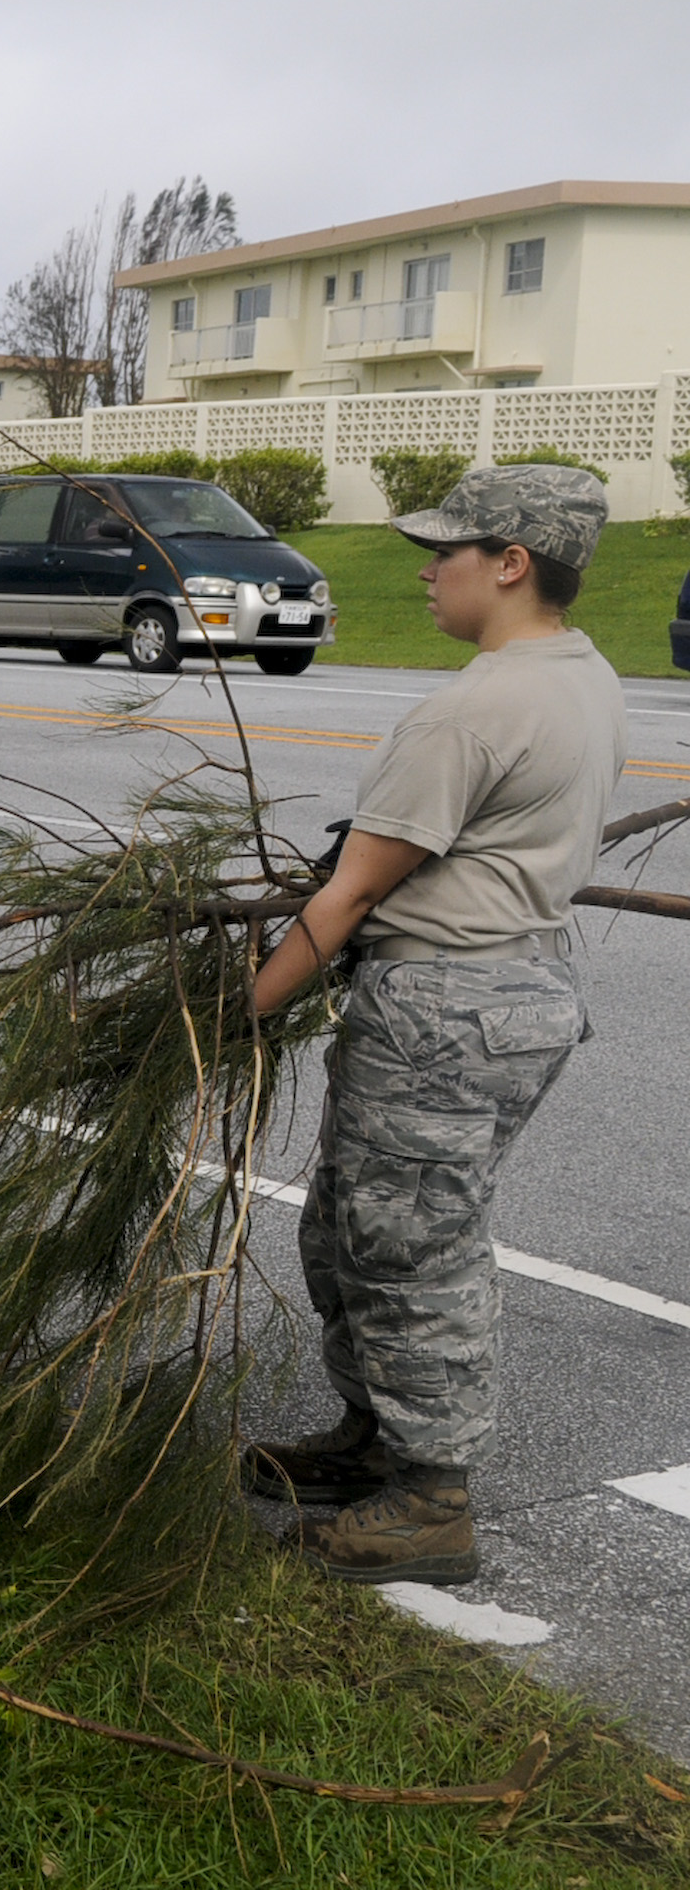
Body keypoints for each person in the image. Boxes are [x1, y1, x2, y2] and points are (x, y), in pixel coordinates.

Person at [242, 464, 623, 1585]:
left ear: (512, 564)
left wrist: (242, 1013)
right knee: (357, 1224)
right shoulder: (584, 676)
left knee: (410, 1245)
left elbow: (352, 894)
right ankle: (375, 1440)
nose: (426, 567)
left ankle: (430, 1498)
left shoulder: (472, 707)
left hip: (447, 1005)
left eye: (447, 549)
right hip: (512, 995)